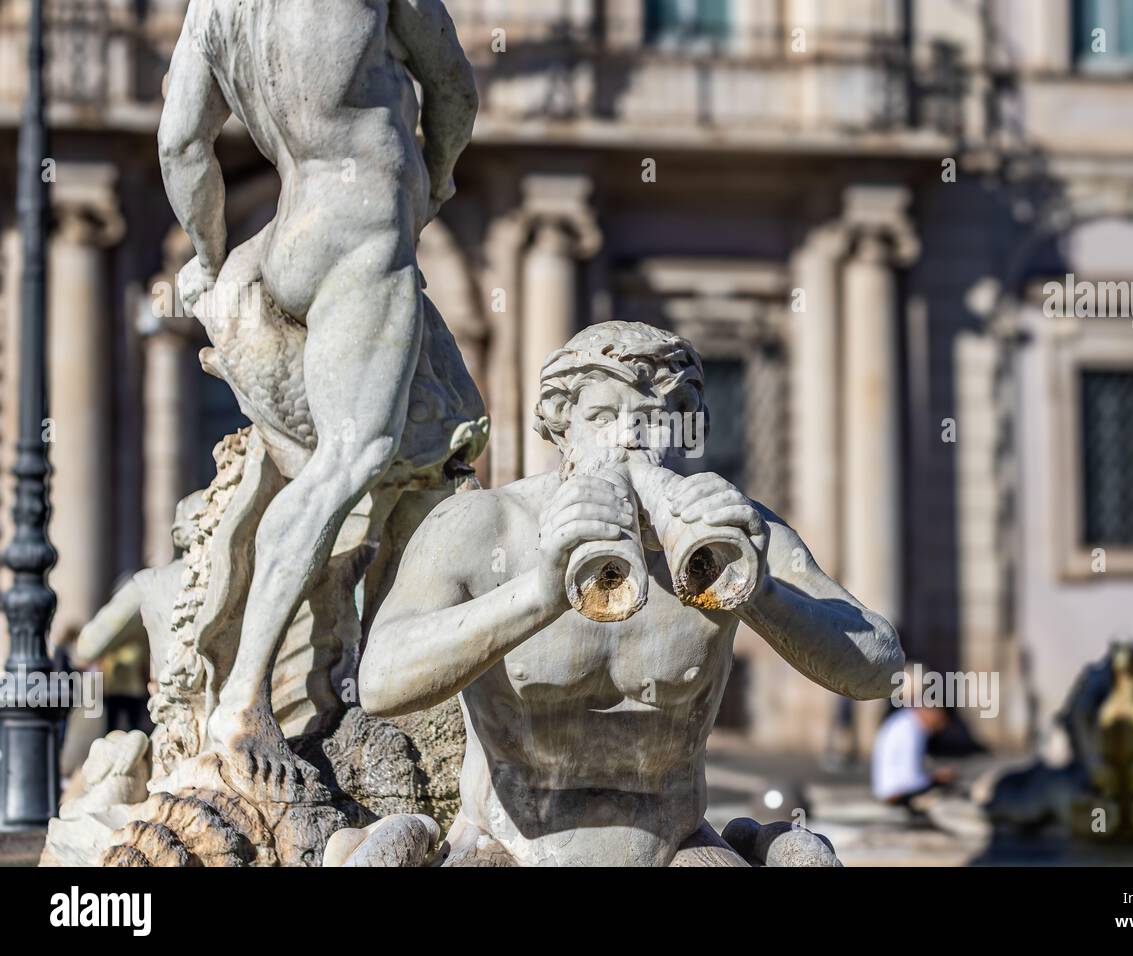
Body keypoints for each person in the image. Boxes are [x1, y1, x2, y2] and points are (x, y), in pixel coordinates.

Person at [360, 322, 905, 866]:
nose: (628, 440)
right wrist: (541, 594)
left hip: (674, 848)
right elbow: (380, 683)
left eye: (652, 422)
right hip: (508, 846)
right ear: (561, 425)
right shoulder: (485, 526)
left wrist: (760, 592)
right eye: (602, 417)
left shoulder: (733, 530)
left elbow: (879, 669)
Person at [156, 0, 477, 799]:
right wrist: (432, 183)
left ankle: (371, 672)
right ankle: (243, 702)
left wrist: (209, 254)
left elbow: (180, 144)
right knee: (352, 457)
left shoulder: (214, 9)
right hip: (365, 231)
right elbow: (456, 92)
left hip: (276, 247)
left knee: (446, 437)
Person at [872, 700, 955, 809]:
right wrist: (936, 779)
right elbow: (909, 780)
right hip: (896, 794)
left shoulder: (905, 721)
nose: (940, 726)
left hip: (890, 790)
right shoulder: (910, 729)